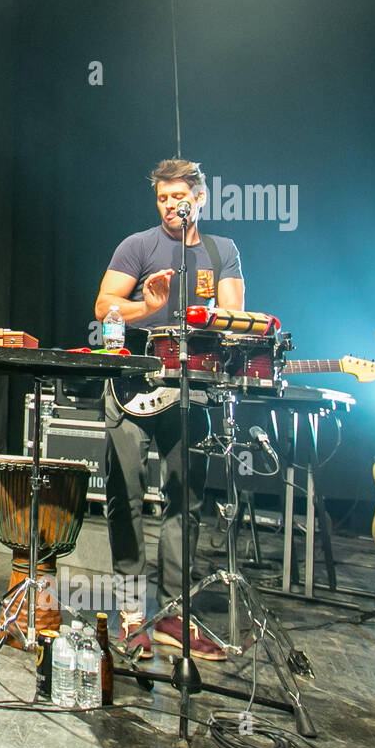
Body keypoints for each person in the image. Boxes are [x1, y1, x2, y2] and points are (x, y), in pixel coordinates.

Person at [94, 159, 245, 662]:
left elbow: (235, 317)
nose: (170, 204)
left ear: (199, 197)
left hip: (192, 388)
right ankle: (134, 616)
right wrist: (146, 303)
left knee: (187, 501)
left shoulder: (222, 251)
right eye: (162, 197)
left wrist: (226, 322)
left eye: (179, 195)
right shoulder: (137, 246)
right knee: (126, 497)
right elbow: (103, 308)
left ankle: (174, 617)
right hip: (132, 389)